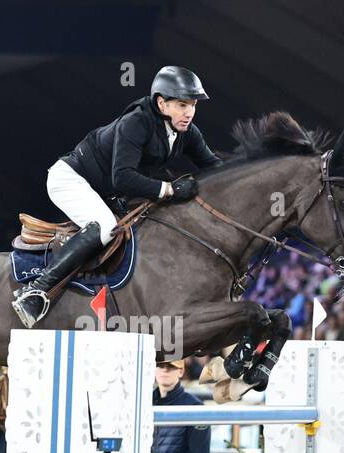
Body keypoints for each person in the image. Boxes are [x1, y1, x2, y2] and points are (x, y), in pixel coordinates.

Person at [12, 66, 224, 327]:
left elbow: (215, 167)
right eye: (182, 104)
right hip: (70, 178)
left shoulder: (187, 133)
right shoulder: (136, 123)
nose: (189, 112)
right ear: (161, 102)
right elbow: (122, 177)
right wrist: (169, 189)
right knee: (105, 226)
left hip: (103, 190)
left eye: (192, 105)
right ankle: (36, 291)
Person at [149, 360, 211, 453]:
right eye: (160, 366)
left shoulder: (194, 407)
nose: (164, 370)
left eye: (170, 367)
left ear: (181, 372)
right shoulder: (143, 402)